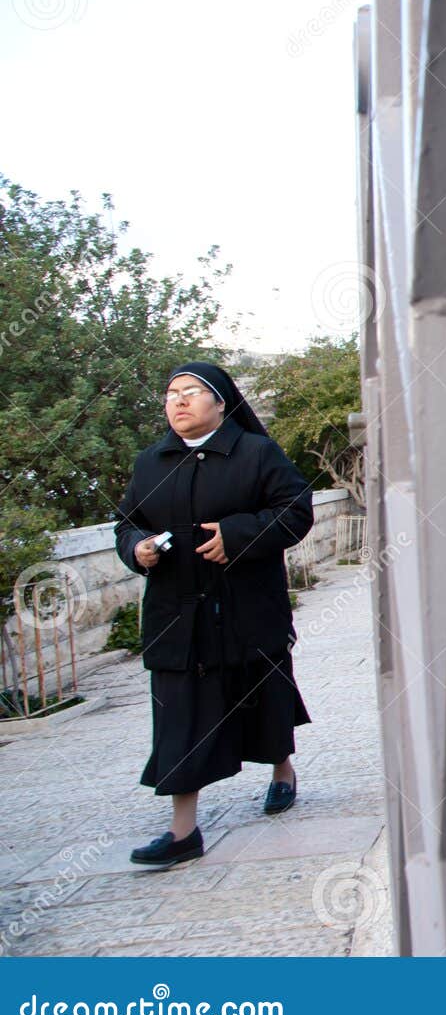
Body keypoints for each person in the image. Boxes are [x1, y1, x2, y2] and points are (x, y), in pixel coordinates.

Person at [114, 362, 315, 868]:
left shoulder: (256, 453)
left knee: (262, 694)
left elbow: (296, 511)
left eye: (190, 392)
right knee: (180, 713)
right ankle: (183, 831)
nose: (177, 401)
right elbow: (126, 525)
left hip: (246, 606)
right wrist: (138, 548)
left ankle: (282, 771)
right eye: (170, 393)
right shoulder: (150, 463)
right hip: (177, 615)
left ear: (221, 402)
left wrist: (238, 535)